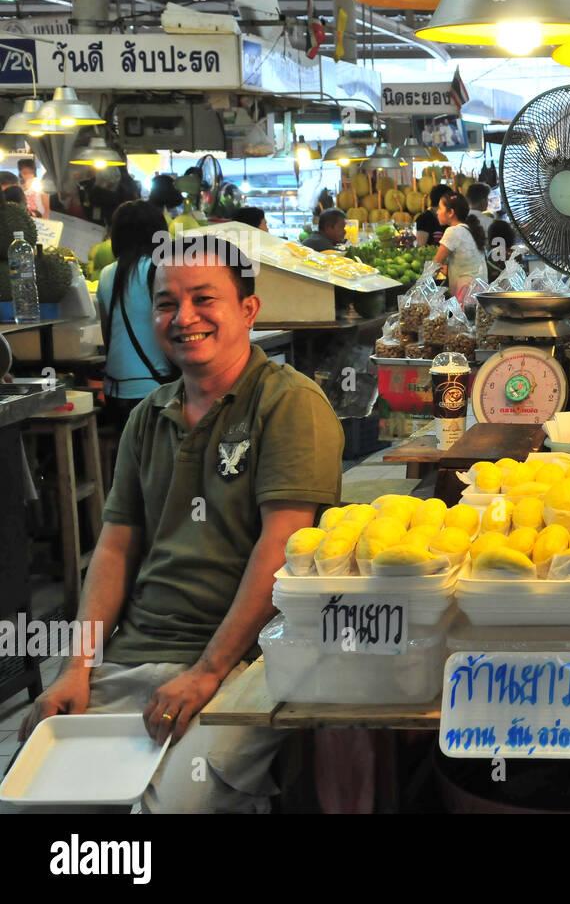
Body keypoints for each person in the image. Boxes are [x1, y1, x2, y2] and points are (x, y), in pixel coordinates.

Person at [13, 233, 344, 814]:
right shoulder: (148, 416)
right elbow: (114, 548)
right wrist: (76, 668)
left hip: (245, 665)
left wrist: (207, 671)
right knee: (37, 801)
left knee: (164, 810)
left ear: (248, 309)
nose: (183, 317)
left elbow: (281, 548)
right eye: (167, 303)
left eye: (203, 298)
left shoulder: (288, 403)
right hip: (131, 657)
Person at [96, 200, 175, 434]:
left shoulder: (106, 273)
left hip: (115, 390)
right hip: (156, 389)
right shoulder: (161, 269)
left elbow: (106, 330)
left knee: (133, 463)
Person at [435, 192, 488, 303]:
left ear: (451, 213)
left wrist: (419, 288)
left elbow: (435, 265)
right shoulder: (469, 230)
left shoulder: (452, 231)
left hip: (465, 296)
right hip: (480, 295)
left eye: (440, 208)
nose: (437, 212)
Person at [485, 217, 517, 281]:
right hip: (513, 290)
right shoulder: (515, 254)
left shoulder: (488, 255)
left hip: (491, 289)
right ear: (510, 236)